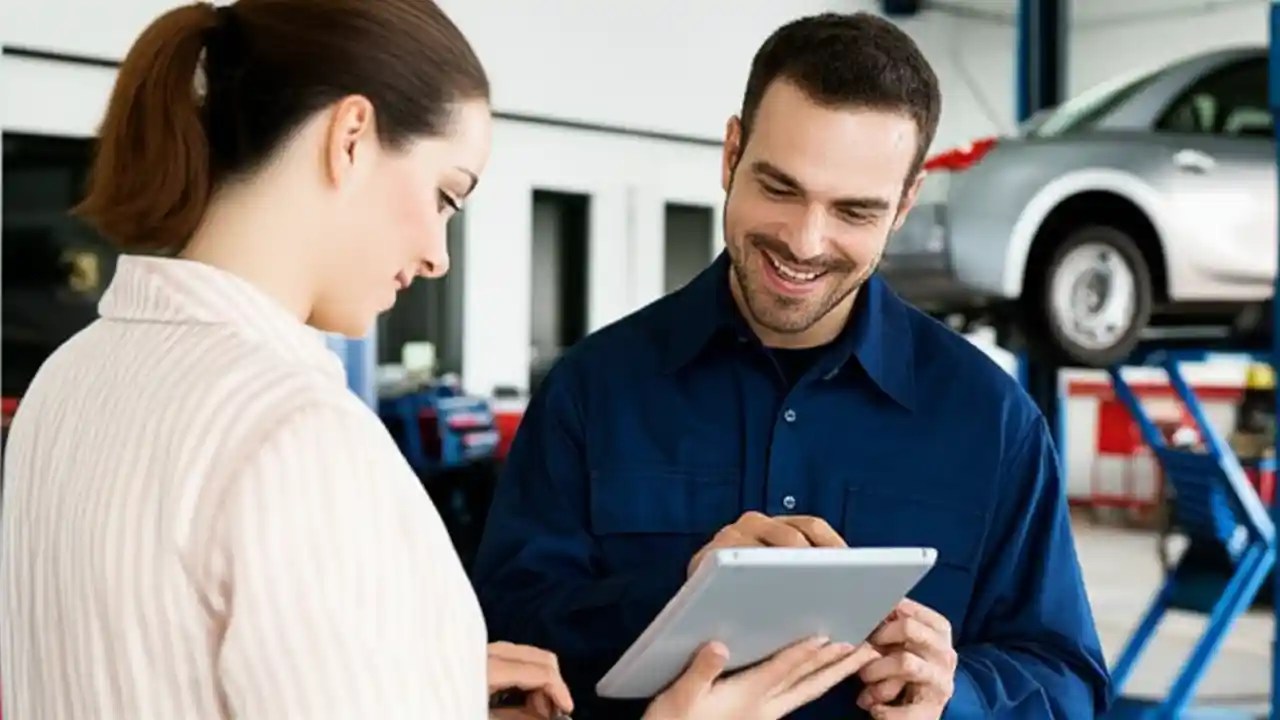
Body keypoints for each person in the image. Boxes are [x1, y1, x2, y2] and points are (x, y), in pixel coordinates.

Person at [0, 2, 878, 719]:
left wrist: (422, 687)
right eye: (445, 195)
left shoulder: (68, 383)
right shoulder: (296, 435)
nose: (436, 255)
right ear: (351, 136)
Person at [471, 11, 1112, 720]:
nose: (805, 242)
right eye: (780, 189)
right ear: (731, 155)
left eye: (854, 212)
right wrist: (678, 595)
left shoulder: (993, 422)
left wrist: (960, 695)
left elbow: (1069, 685)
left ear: (904, 205)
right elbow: (498, 648)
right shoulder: (592, 392)